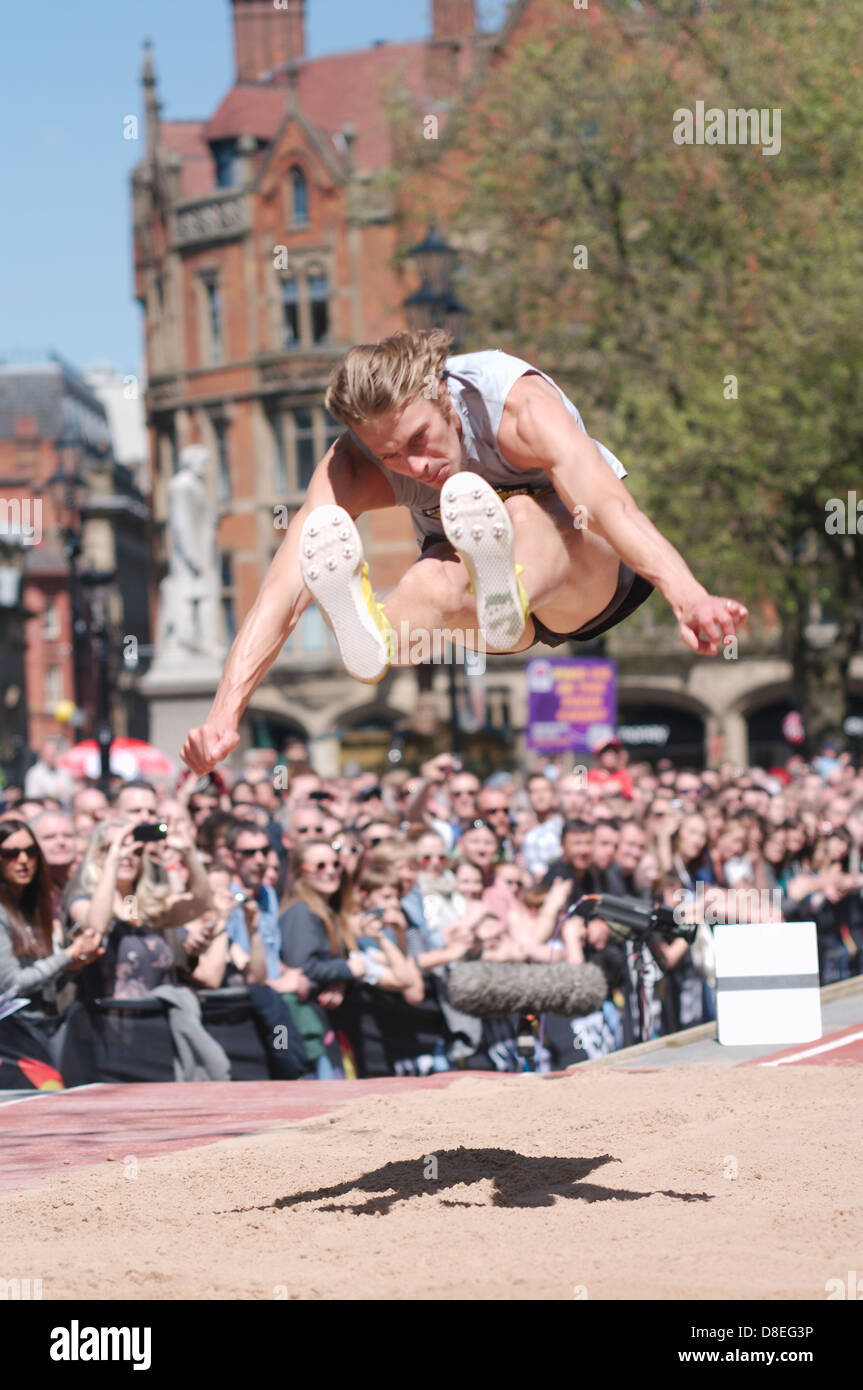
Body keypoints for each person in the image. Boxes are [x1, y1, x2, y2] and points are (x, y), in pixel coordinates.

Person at [181, 329, 747, 774]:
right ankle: (378, 634)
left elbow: (609, 507)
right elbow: (281, 590)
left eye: (419, 441)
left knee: (524, 513)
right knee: (427, 584)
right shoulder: (355, 462)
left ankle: (509, 584)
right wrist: (223, 715)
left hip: (592, 577)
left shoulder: (513, 404)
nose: (415, 468)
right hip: (497, 624)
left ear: (443, 399)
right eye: (391, 456)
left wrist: (689, 595)